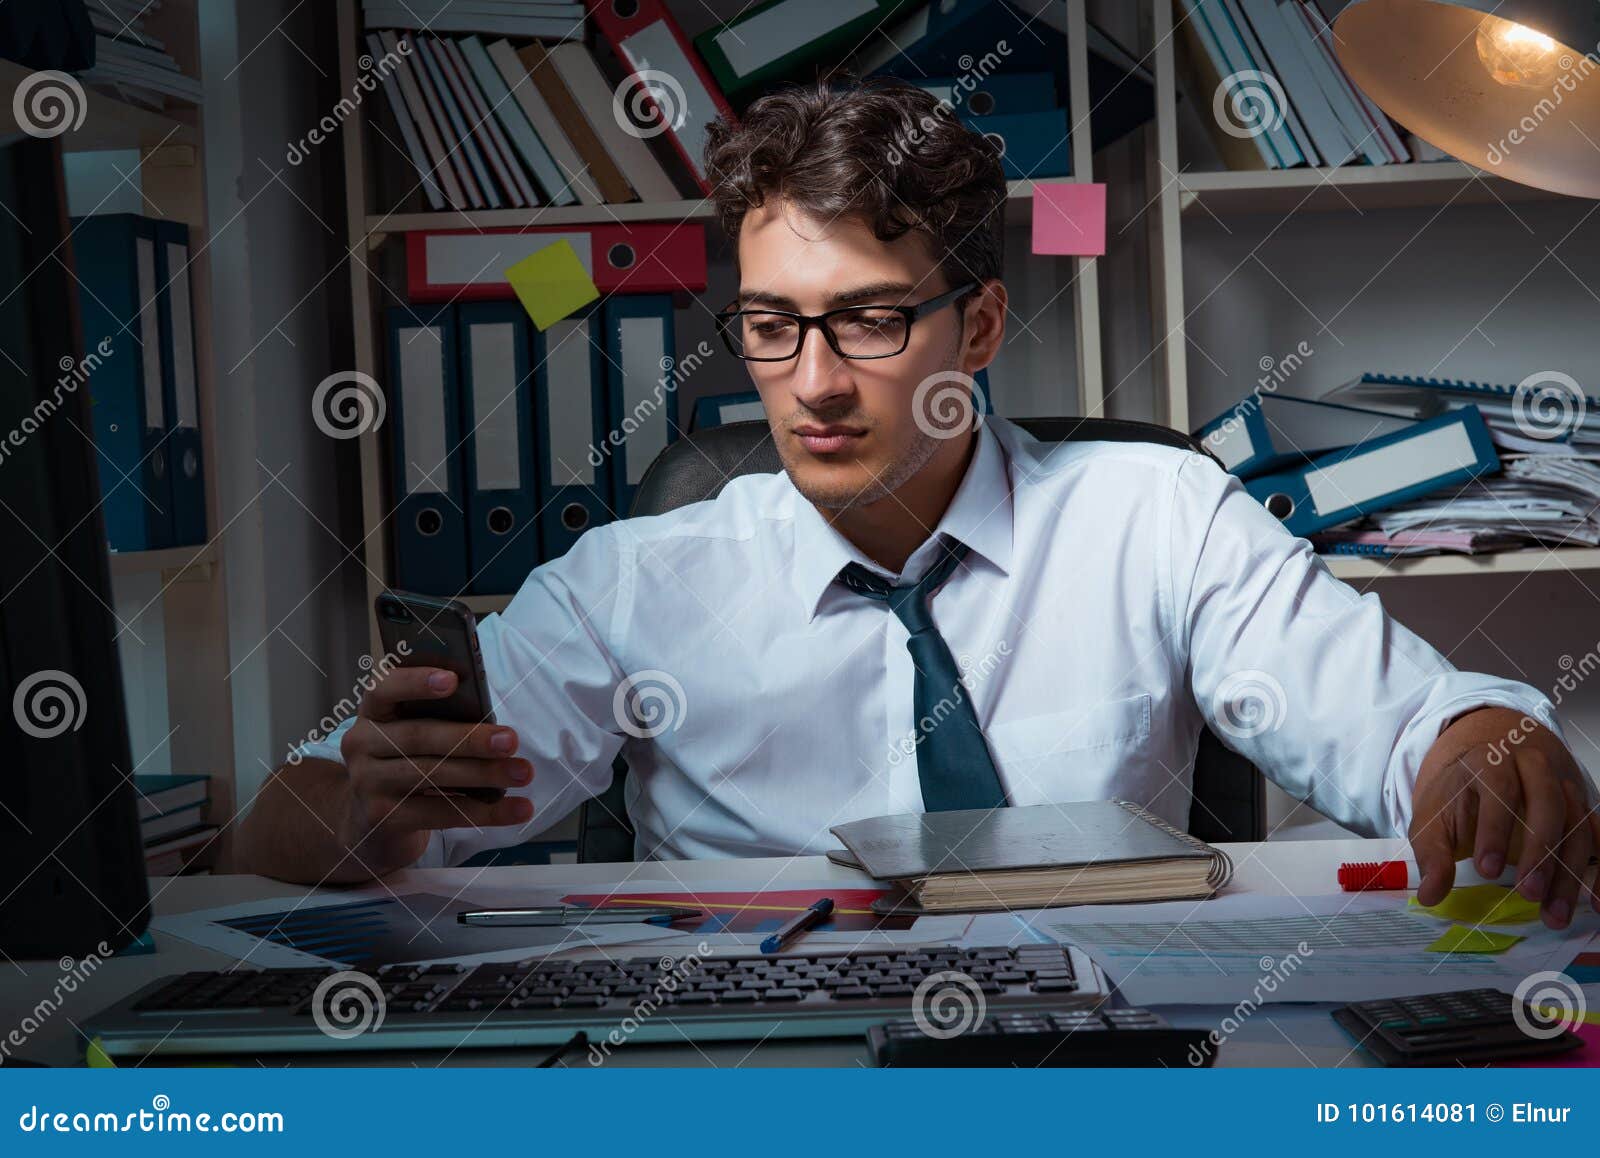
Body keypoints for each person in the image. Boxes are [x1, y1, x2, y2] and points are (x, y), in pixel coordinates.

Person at [237, 79, 1597, 928]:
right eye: (770, 327)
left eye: (870, 322)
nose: (811, 384)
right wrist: (370, 806)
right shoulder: (635, 581)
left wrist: (1481, 736)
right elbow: (273, 831)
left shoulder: (1158, 517)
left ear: (983, 323)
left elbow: (1412, 727)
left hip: (1102, 1057)